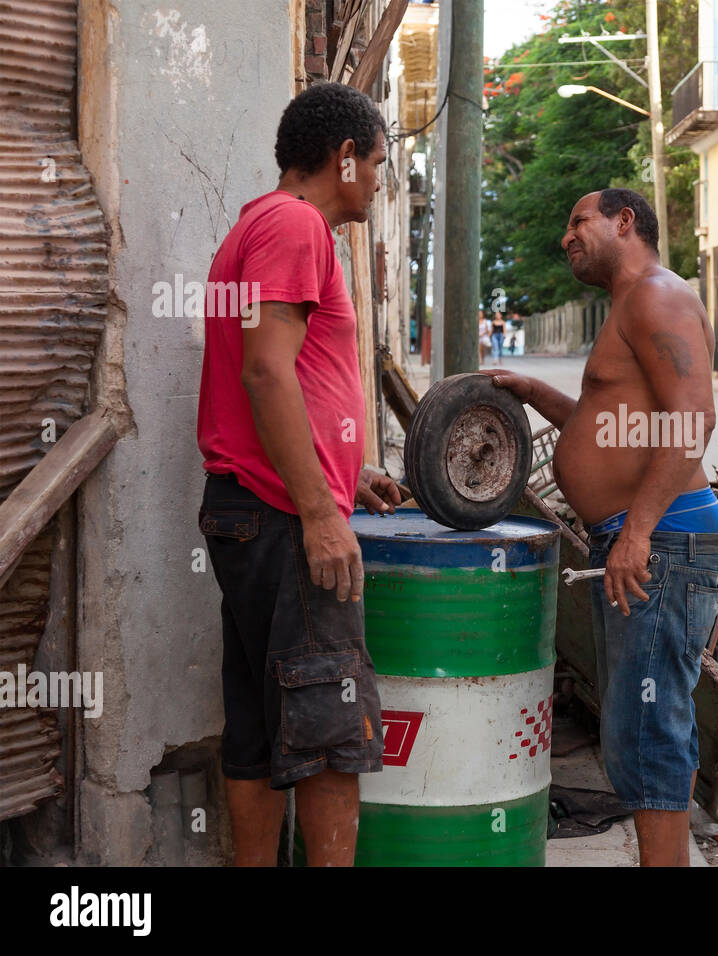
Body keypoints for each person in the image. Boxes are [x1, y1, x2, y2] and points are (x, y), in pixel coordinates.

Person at [484, 188, 718, 867]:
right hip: (642, 538)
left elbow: (693, 420)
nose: (567, 237)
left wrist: (639, 534)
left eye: (576, 219)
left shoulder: (657, 293)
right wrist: (540, 396)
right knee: (631, 730)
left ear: (626, 222)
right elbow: (616, 425)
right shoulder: (629, 302)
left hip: (664, 542)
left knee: (648, 730)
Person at [196, 82, 403, 867]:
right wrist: (320, 511)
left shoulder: (255, 224)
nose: (378, 181)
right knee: (327, 733)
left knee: (256, 727)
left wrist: (347, 471)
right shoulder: (294, 225)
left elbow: (288, 380)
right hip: (284, 520)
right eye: (375, 163)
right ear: (342, 157)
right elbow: (266, 374)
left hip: (251, 509)